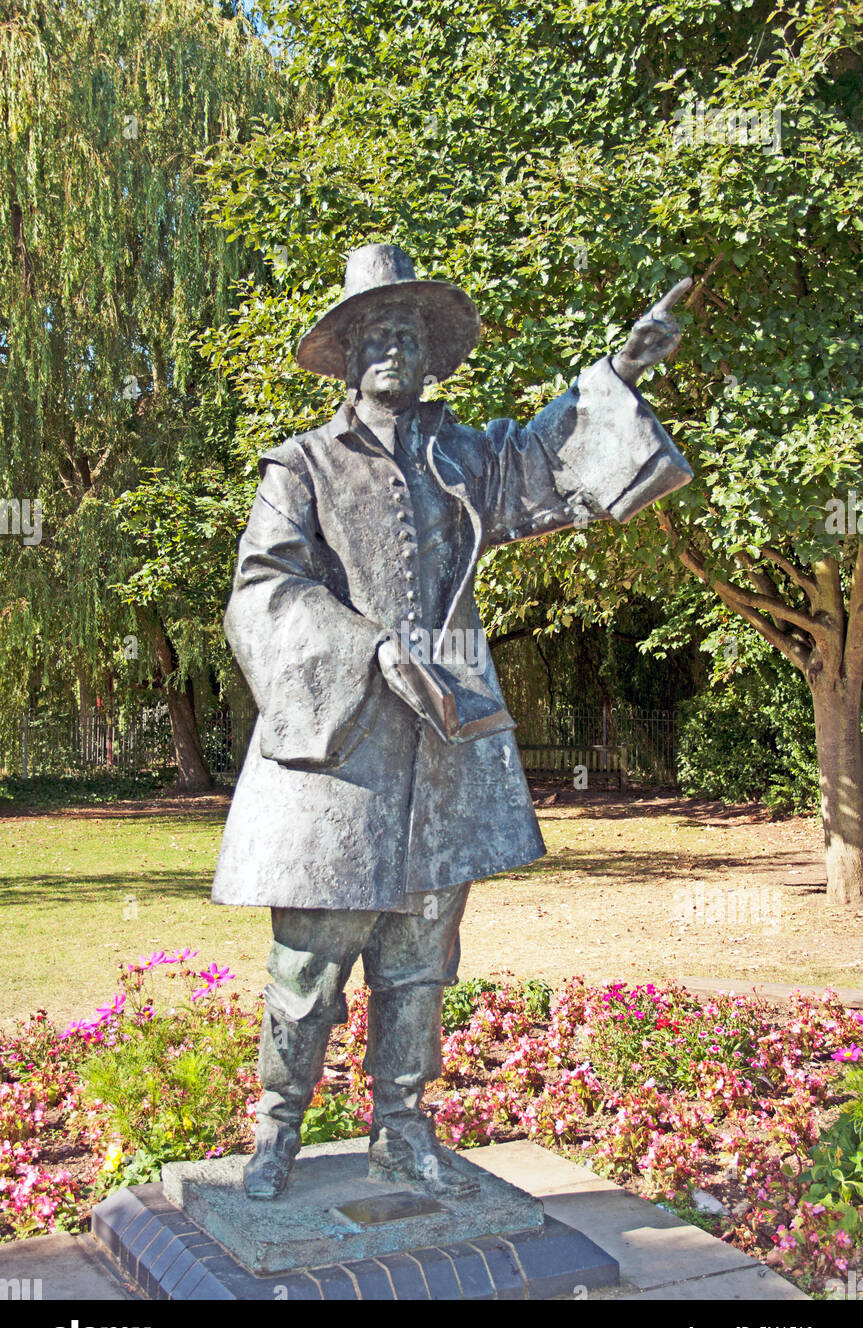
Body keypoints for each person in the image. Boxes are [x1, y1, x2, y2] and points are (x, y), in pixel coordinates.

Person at [212, 243, 693, 1198]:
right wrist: (370, 651)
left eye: (408, 334)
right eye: (374, 334)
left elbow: (544, 458)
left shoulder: (459, 454)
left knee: (420, 956)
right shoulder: (301, 465)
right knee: (309, 960)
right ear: (347, 354)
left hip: (442, 751)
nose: (392, 348)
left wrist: (622, 372)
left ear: (429, 358)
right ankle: (276, 1133)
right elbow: (262, 588)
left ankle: (403, 1129)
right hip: (335, 753)